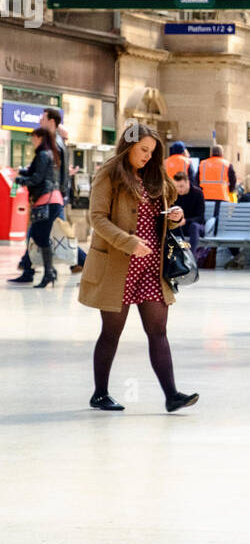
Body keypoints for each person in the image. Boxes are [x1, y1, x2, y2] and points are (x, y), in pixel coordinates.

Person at [78, 123, 198, 414]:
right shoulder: (108, 174)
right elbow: (98, 218)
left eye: (152, 152)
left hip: (151, 265)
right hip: (117, 264)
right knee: (112, 332)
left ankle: (172, 395)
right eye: (143, 150)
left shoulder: (154, 175)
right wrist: (128, 242)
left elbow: (165, 213)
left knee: (158, 330)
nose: (147, 156)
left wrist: (176, 217)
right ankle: (100, 393)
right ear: (128, 145)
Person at [10, 127, 63, 288]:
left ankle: (48, 273)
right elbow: (35, 173)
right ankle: (47, 272)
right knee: (37, 236)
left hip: (47, 200)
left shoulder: (43, 154)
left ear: (39, 137)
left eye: (33, 137)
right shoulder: (47, 153)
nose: (31, 140)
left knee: (41, 237)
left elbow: (37, 178)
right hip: (49, 200)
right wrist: (22, 172)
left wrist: (19, 180)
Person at [172, 168, 205, 255]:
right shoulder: (174, 194)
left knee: (194, 226)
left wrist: (186, 221)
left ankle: (191, 257)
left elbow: (200, 218)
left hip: (196, 227)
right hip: (179, 226)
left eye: (181, 186)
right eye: (177, 187)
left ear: (188, 183)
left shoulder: (198, 193)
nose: (179, 189)